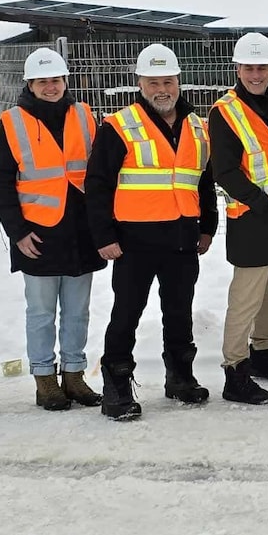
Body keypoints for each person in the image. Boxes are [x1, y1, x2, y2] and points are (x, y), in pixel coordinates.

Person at [85, 43, 218, 420]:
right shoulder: (119, 125)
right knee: (126, 315)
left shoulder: (197, 126)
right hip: (133, 241)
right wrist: (104, 236)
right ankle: (116, 387)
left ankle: (180, 377)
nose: (162, 90)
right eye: (154, 82)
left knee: (179, 313)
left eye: (168, 82)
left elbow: (203, 180)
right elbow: (97, 184)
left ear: (179, 82)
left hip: (182, 237)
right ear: (140, 84)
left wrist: (207, 225)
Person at [0, 48, 104, 411]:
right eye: (42, 82)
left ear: (65, 81)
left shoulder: (84, 115)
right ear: (30, 84)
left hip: (81, 232)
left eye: (55, 80)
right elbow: (0, 181)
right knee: (41, 313)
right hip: (37, 234)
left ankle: (74, 375)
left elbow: (99, 170)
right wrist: (17, 232)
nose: (50, 87)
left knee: (78, 311)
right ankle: (44, 380)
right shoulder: (12, 122)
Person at [209, 32, 268, 406]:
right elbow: (224, 170)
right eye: (249, 68)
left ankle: (263, 351)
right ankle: (235, 371)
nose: (256, 74)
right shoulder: (225, 111)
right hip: (252, 218)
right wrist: (259, 202)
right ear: (238, 69)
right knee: (246, 299)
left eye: (262, 68)